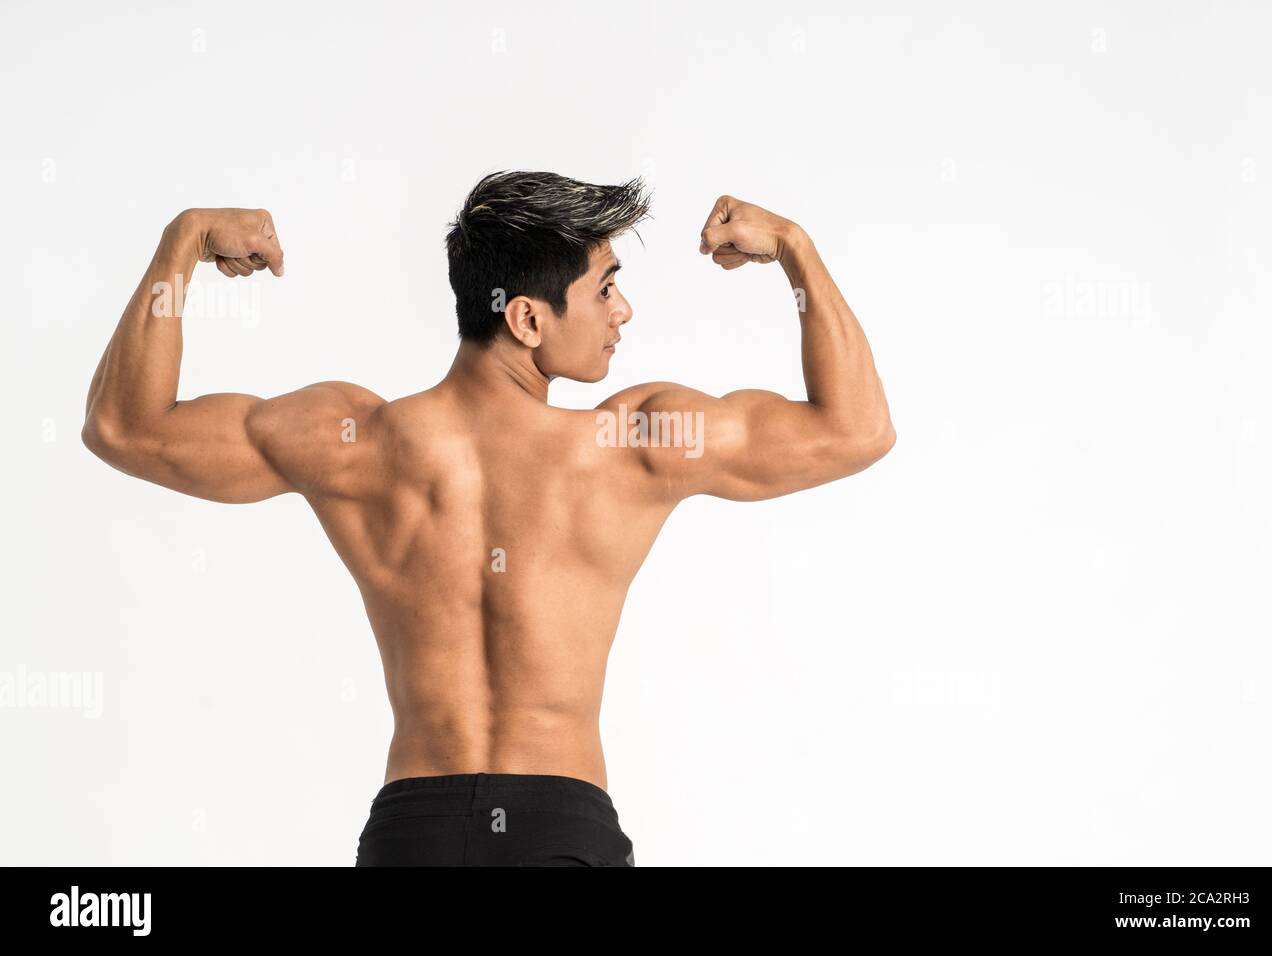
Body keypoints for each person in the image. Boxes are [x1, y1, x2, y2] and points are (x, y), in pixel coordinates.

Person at [81, 171, 896, 866]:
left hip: (414, 834)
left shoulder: (355, 441)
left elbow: (125, 427)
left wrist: (182, 245)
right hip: (560, 830)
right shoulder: (633, 442)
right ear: (527, 318)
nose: (625, 313)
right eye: (606, 288)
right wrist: (794, 248)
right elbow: (856, 429)